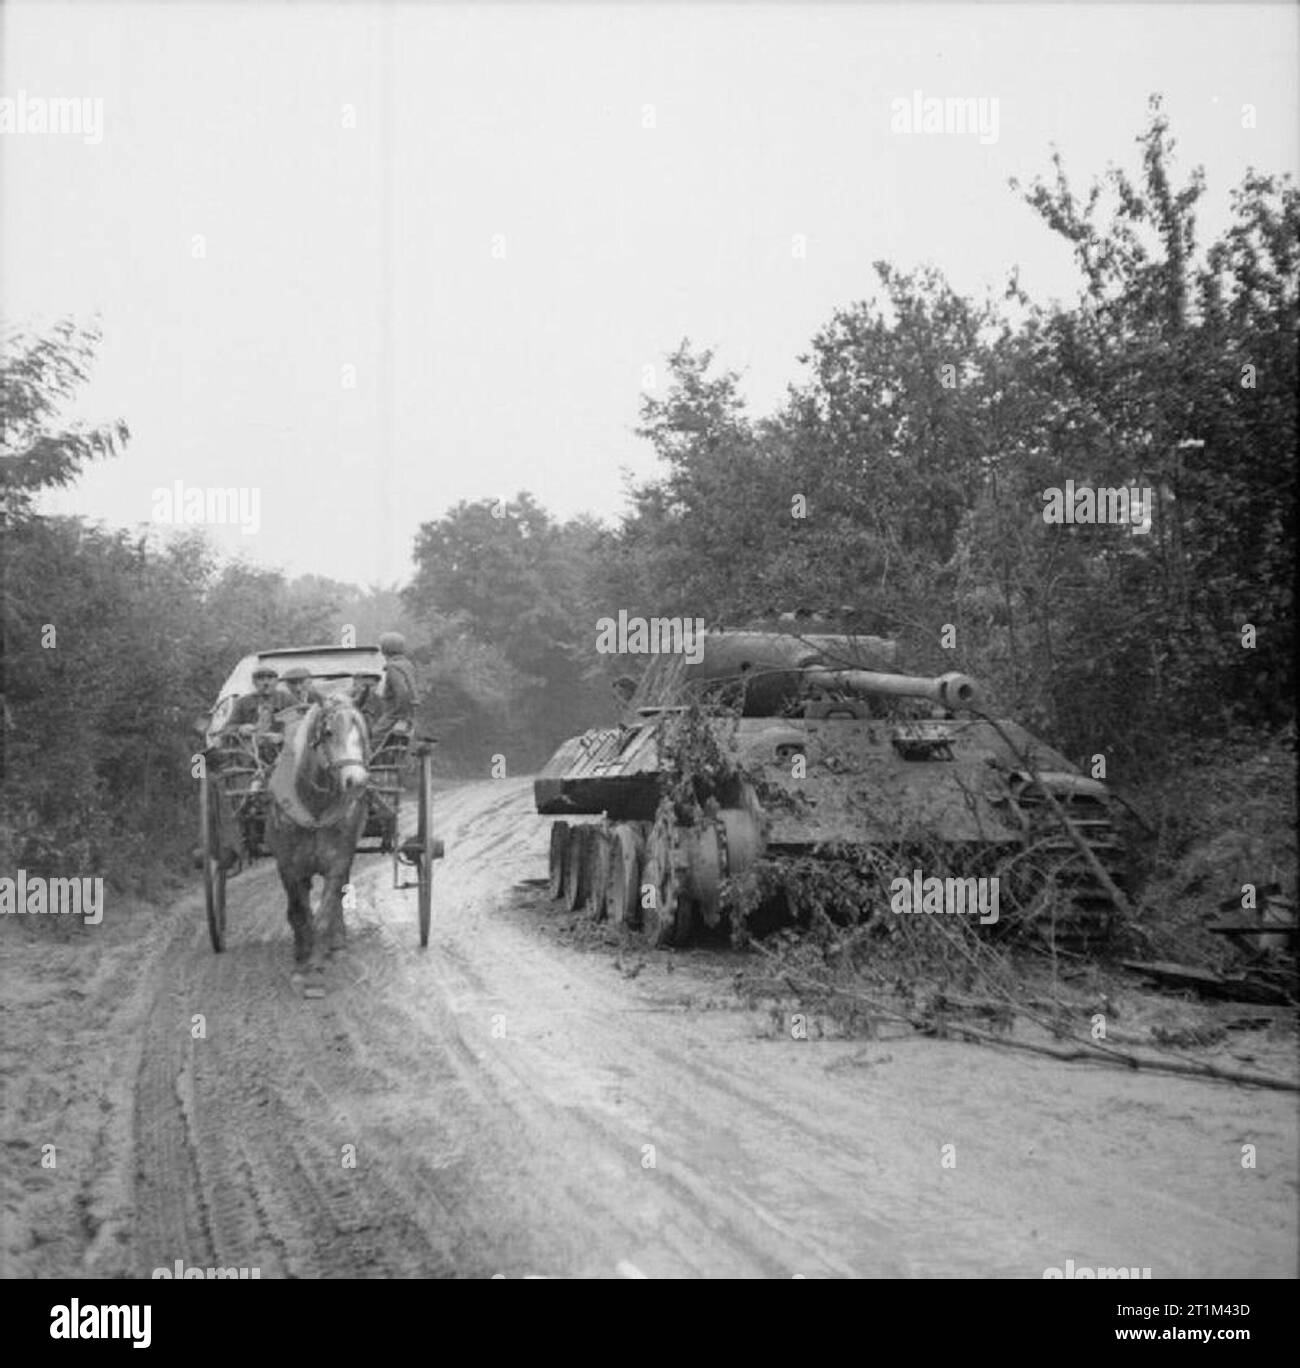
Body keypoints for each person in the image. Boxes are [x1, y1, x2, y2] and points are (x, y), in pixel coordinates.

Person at [372, 631, 419, 741]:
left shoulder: (393, 667)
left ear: (385, 648)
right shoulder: (407, 665)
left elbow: (402, 691)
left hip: (394, 714)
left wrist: (400, 717)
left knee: (374, 736)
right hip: (409, 714)